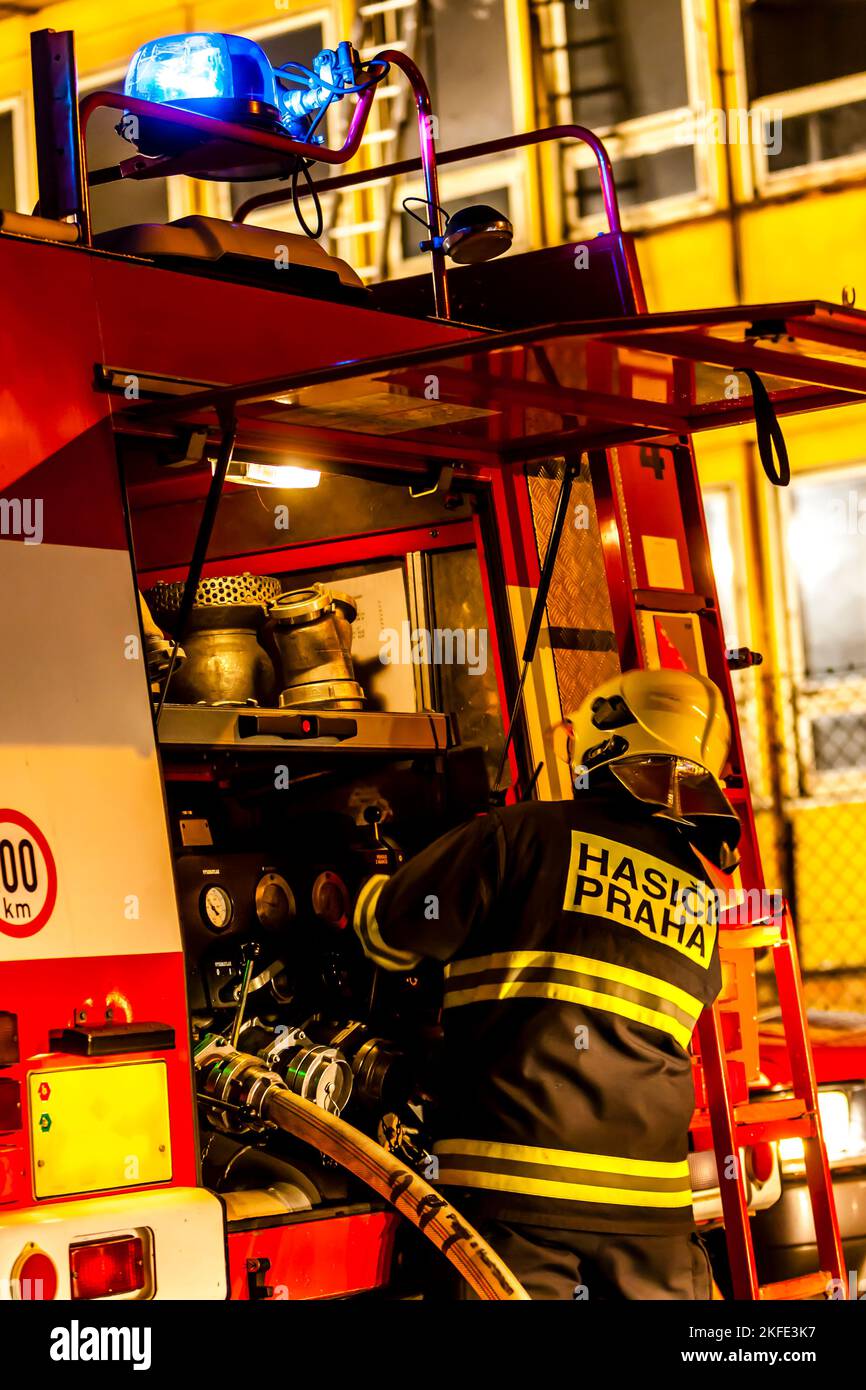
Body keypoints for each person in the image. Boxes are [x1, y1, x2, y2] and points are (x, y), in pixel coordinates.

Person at [353, 668, 740, 1299]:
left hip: (513, 1196)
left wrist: (362, 878)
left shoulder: (520, 834)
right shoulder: (699, 896)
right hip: (651, 1212)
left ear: (601, 743)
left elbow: (387, 933)